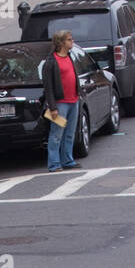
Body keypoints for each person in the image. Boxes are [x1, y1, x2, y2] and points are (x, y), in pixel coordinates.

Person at [43, 31, 80, 172]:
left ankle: (67, 160)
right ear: (61, 42)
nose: (72, 41)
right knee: (56, 134)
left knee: (69, 133)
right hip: (60, 103)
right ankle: (54, 164)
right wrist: (52, 107)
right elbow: (48, 87)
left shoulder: (70, 57)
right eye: (69, 40)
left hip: (73, 100)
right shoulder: (51, 61)